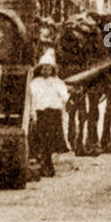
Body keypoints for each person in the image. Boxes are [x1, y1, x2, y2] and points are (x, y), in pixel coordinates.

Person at [28, 49, 69, 177]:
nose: (46, 71)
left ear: (52, 70)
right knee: (42, 140)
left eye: (48, 68)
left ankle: (48, 165)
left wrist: (67, 97)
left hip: (54, 114)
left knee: (51, 141)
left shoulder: (57, 82)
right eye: (43, 68)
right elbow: (32, 99)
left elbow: (64, 97)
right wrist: (33, 113)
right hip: (41, 114)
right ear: (40, 69)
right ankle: (46, 165)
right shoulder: (34, 83)